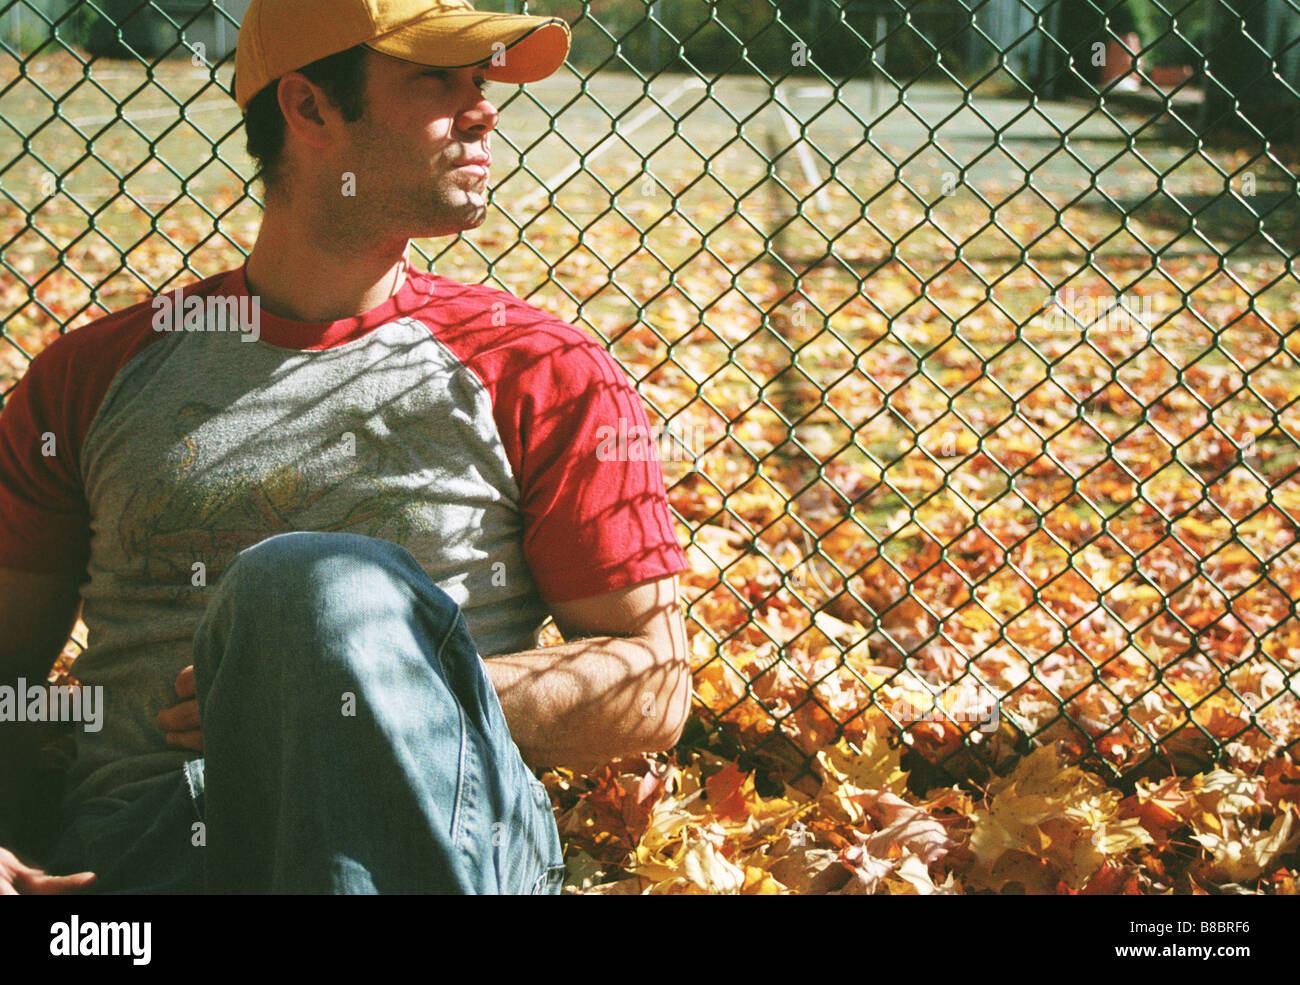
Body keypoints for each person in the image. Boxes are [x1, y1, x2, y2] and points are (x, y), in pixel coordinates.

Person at [0, 0, 691, 894]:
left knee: (311, 593)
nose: (483, 108)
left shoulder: (542, 368)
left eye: (479, 79)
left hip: (440, 842)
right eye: (438, 79)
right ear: (309, 109)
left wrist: (361, 696)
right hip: (151, 855)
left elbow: (655, 676)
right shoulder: (92, 374)